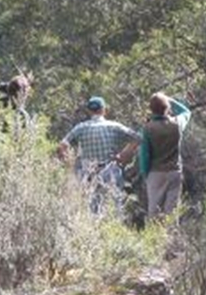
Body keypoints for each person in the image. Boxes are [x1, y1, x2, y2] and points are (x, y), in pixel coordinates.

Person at [57, 96, 141, 215]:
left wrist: (70, 165)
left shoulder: (81, 127)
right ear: (104, 110)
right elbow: (137, 138)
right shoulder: (114, 126)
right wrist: (124, 154)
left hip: (88, 172)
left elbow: (62, 146)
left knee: (91, 207)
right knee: (115, 205)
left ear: (89, 111)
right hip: (111, 170)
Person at [138, 92, 192, 220]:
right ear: (167, 108)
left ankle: (155, 238)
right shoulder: (177, 124)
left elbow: (144, 155)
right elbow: (186, 112)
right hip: (174, 172)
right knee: (172, 213)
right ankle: (171, 238)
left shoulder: (147, 129)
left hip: (155, 173)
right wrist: (169, 99)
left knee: (154, 212)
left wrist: (145, 174)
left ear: (151, 109)